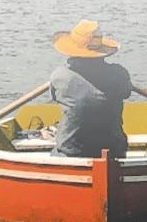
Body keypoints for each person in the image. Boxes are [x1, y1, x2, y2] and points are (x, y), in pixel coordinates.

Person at [47, 19, 132, 158]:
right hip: (114, 153)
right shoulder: (119, 74)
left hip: (71, 154)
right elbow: (126, 92)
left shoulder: (60, 76)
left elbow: (55, 97)